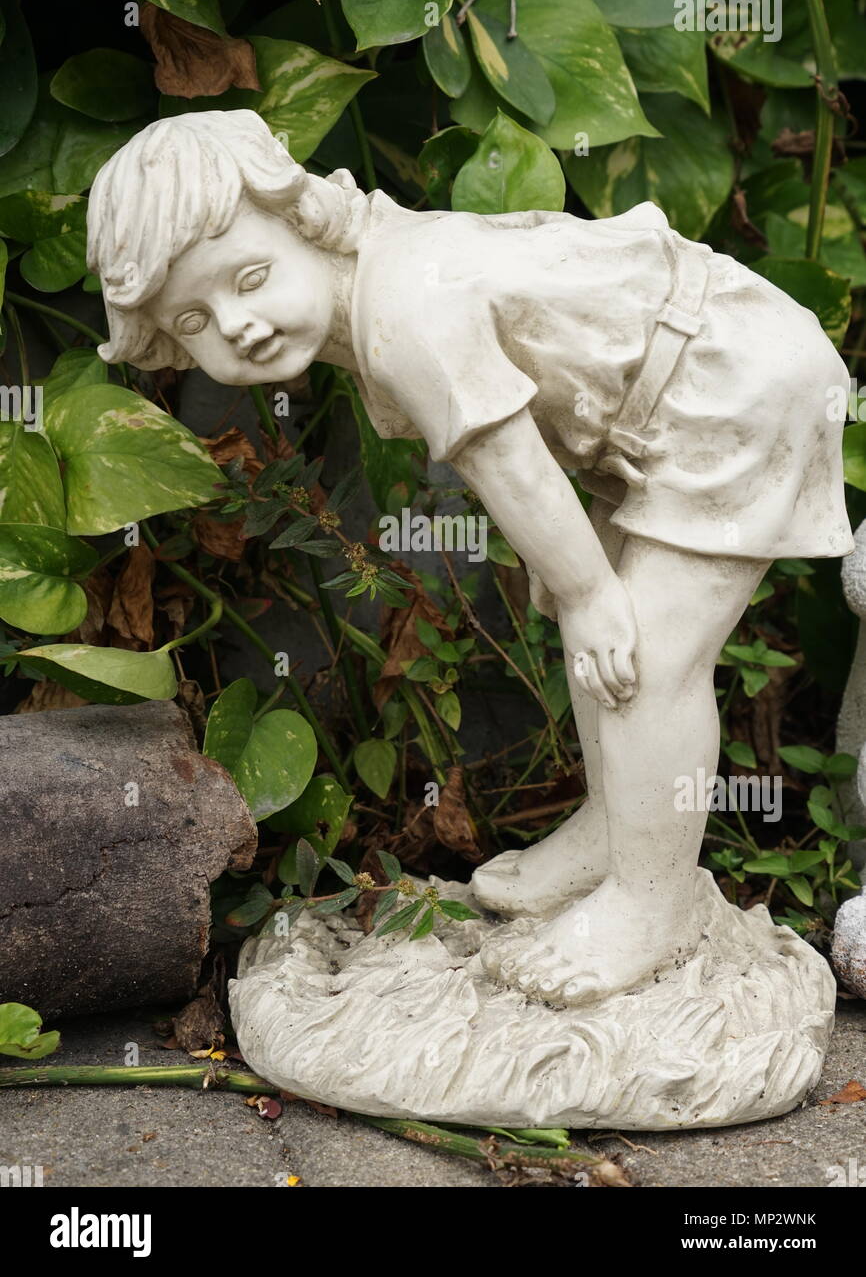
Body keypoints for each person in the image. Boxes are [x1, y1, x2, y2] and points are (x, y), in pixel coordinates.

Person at [88, 108, 853, 1006]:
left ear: (301, 220)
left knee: (642, 657)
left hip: (733, 386)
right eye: (196, 321)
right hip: (664, 396)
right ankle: (616, 834)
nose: (239, 326)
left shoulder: (402, 313)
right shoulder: (383, 267)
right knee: (600, 647)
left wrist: (588, 586)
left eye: (250, 277)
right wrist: (580, 589)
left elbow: (513, 461)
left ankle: (653, 903)